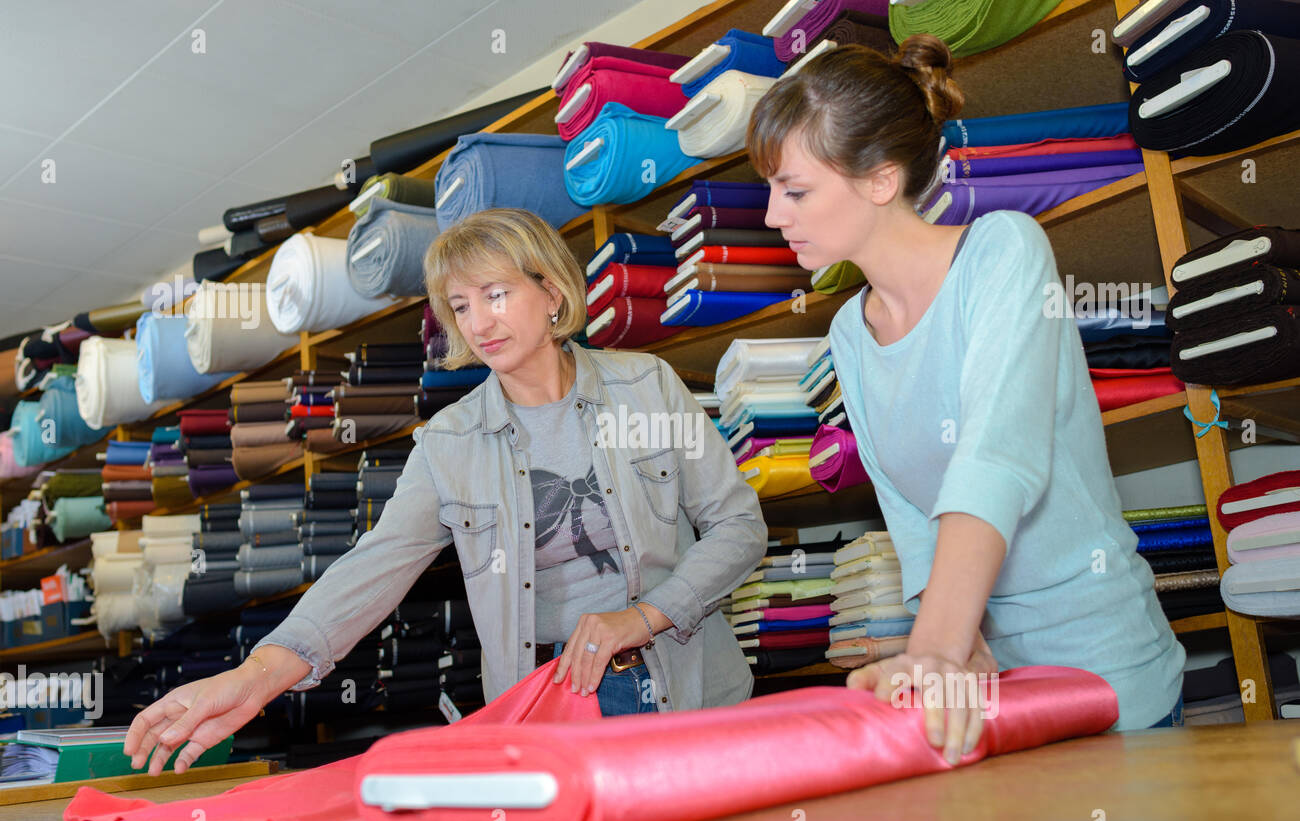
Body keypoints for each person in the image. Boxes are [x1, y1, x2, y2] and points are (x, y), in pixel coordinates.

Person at [123, 207, 767, 776]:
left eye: (495, 294)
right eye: (460, 305)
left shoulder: (645, 387)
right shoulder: (450, 443)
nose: (478, 321)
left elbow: (739, 526)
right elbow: (374, 566)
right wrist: (252, 678)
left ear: (550, 292)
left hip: (688, 687)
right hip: (548, 713)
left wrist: (645, 615)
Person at [745, 35, 1186, 762]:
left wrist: (937, 650)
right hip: (992, 692)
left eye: (794, 190)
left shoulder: (1003, 252)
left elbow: (996, 458)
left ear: (882, 180)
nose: (771, 215)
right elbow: (909, 516)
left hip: (1109, 678)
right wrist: (960, 645)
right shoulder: (850, 334)